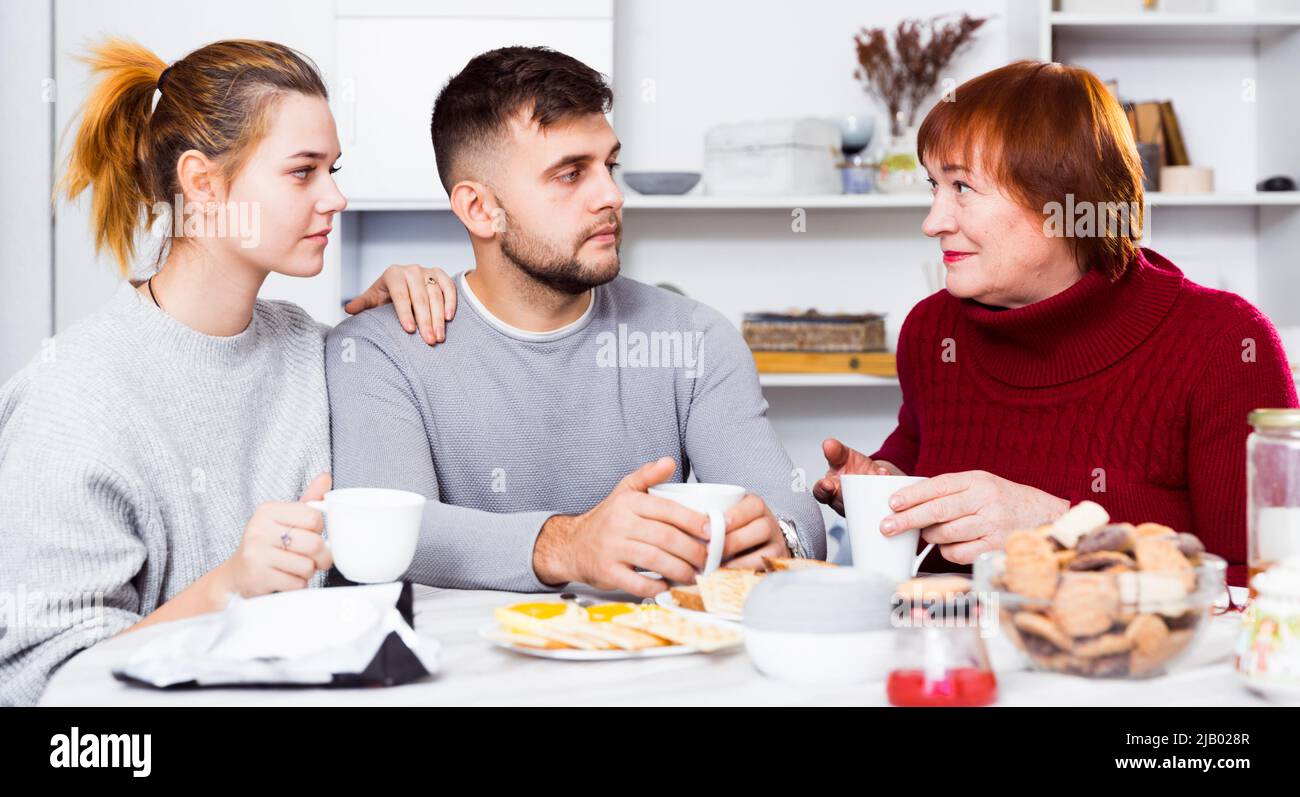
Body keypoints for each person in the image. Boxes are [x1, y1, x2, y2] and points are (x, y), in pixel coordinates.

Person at [0, 38, 458, 706]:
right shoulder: (73, 393)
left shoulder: (311, 348)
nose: (336, 197)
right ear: (204, 184)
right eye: (304, 172)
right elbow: (34, 680)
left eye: (333, 168)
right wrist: (227, 587)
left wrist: (392, 310)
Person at [327, 46, 825, 597]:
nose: (611, 196)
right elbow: (393, 530)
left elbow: (794, 512)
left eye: (609, 165)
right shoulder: (379, 347)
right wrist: (567, 545)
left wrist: (780, 540)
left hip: (653, 667)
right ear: (478, 209)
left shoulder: (695, 339)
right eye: (570, 174)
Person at [813, 60, 1298, 586]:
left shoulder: (1226, 344)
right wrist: (886, 483)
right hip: (952, 658)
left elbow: (1264, 585)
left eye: (963, 188)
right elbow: (918, 449)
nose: (933, 222)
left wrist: (1060, 527)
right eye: (934, 186)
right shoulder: (933, 331)